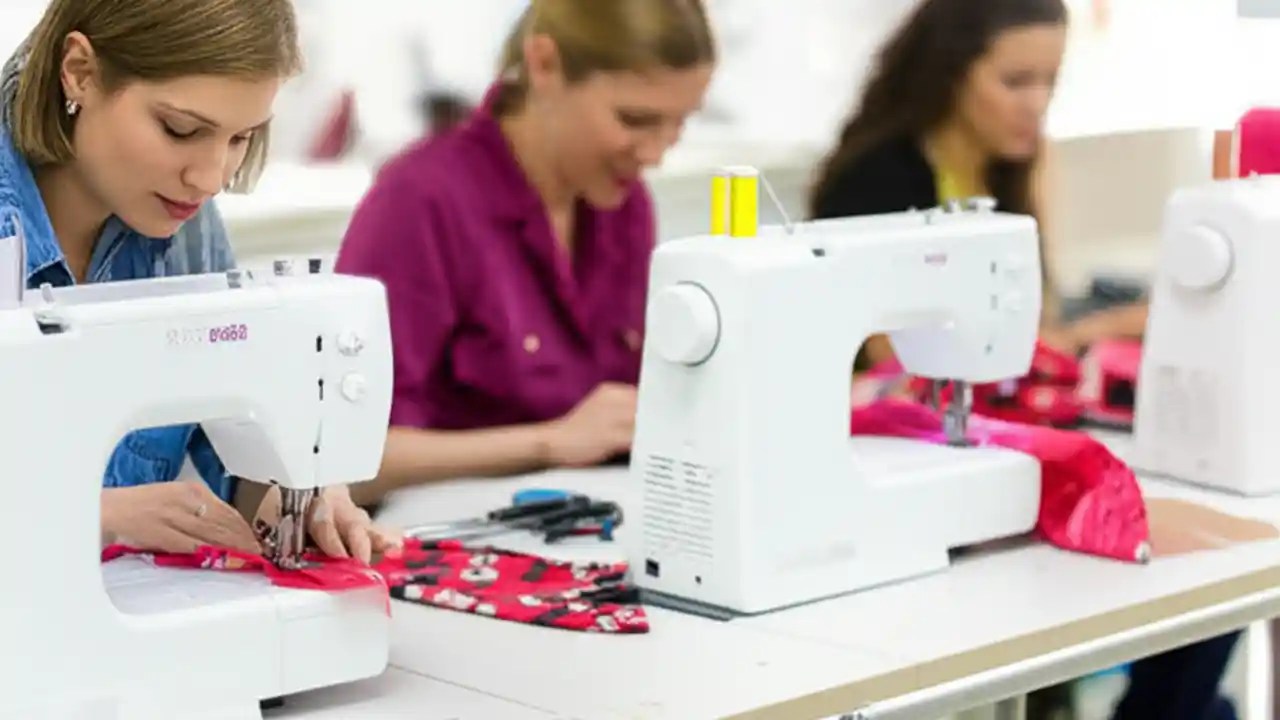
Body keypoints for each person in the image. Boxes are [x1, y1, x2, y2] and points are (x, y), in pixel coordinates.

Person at [807, 1, 1239, 719]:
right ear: (951, 72)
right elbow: (904, 357)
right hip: (889, 447)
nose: (1036, 104)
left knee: (1194, 572)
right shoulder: (875, 181)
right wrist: (1093, 328)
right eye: (1015, 81)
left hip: (969, 439)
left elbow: (1016, 333)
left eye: (1050, 82)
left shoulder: (1010, 172)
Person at [0, 0, 397, 563]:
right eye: (181, 129)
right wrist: (102, 516)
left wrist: (301, 497)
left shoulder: (185, 228)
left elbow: (230, 443)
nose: (211, 178)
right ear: (80, 73)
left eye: (241, 139)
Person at [335, 0, 716, 505]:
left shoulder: (624, 204)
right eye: (635, 119)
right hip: (440, 541)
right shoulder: (422, 201)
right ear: (544, 64)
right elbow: (345, 457)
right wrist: (550, 442)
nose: (656, 154)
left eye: (678, 124)